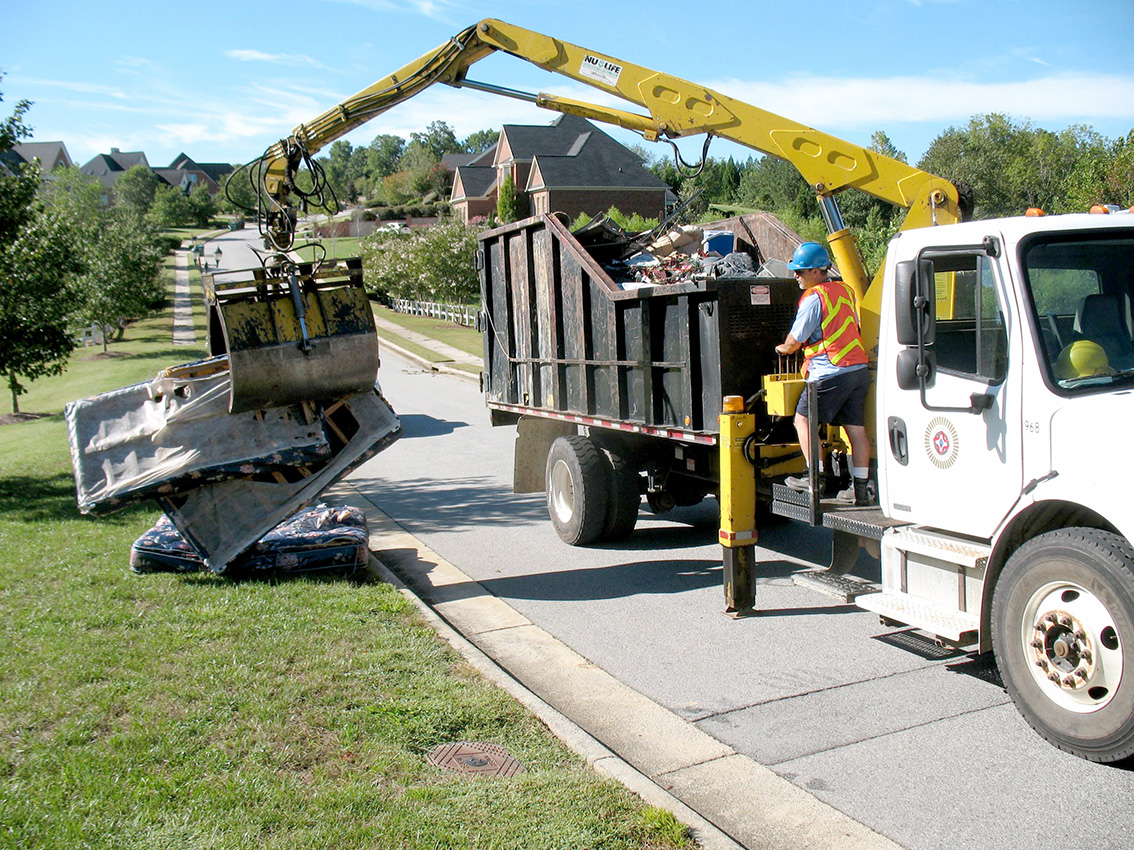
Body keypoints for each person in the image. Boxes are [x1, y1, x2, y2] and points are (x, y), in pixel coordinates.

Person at [775, 241, 876, 506]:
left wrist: (783, 348)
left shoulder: (814, 298)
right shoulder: (845, 290)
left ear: (818, 271)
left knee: (803, 421)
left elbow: (795, 340)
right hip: (857, 371)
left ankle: (814, 479)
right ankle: (860, 489)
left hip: (831, 371)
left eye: (801, 271)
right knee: (856, 429)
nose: (796, 276)